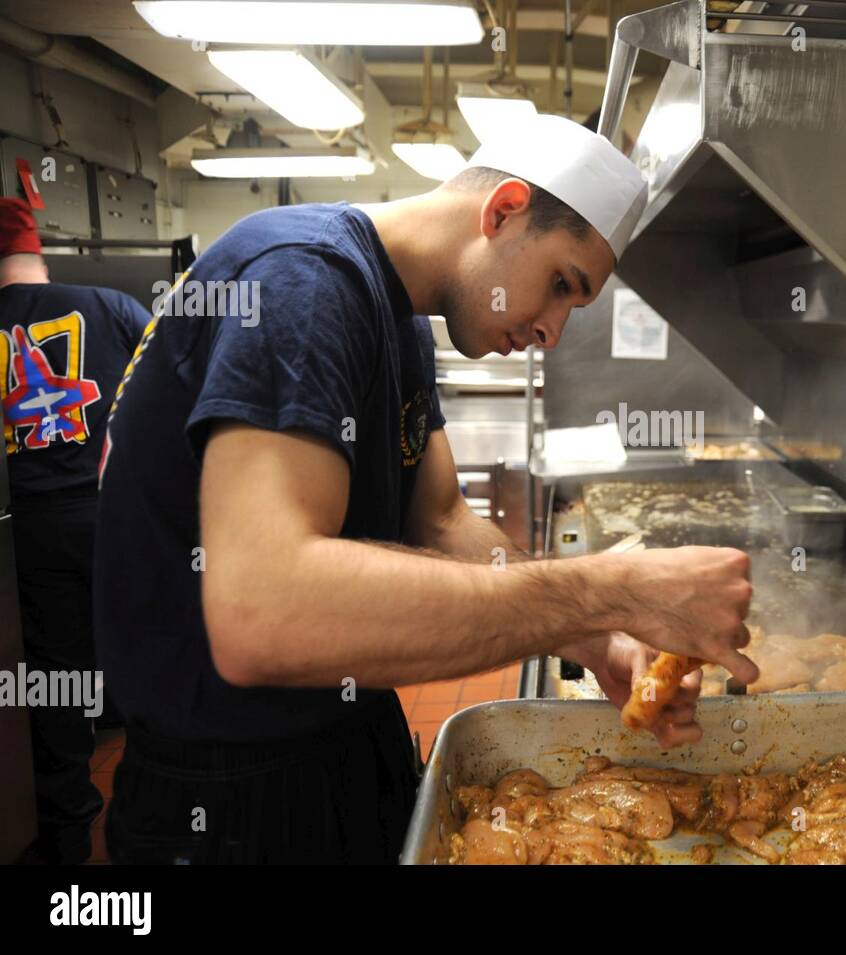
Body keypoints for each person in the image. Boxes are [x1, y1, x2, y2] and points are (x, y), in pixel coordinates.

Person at [95, 114, 760, 864]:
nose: (552, 333)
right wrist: (609, 589)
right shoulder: (300, 283)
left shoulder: (398, 313)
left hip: (339, 744)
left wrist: (593, 637)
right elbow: (263, 611)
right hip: (233, 802)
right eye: (560, 285)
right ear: (503, 210)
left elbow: (442, 521)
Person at [0, 197, 151, 864]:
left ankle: (66, 843)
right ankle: (162, 816)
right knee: (149, 667)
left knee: (56, 689)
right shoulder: (111, 306)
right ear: (39, 251)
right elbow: (173, 390)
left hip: (24, 539)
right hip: (116, 523)